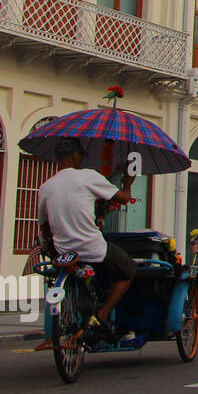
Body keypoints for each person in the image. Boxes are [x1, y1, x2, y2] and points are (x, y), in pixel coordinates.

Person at [37, 137, 135, 340]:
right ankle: (101, 315)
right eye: (81, 156)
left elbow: (44, 225)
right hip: (91, 248)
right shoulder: (88, 176)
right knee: (127, 269)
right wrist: (128, 181)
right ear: (75, 155)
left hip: (64, 251)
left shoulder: (46, 186)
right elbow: (124, 198)